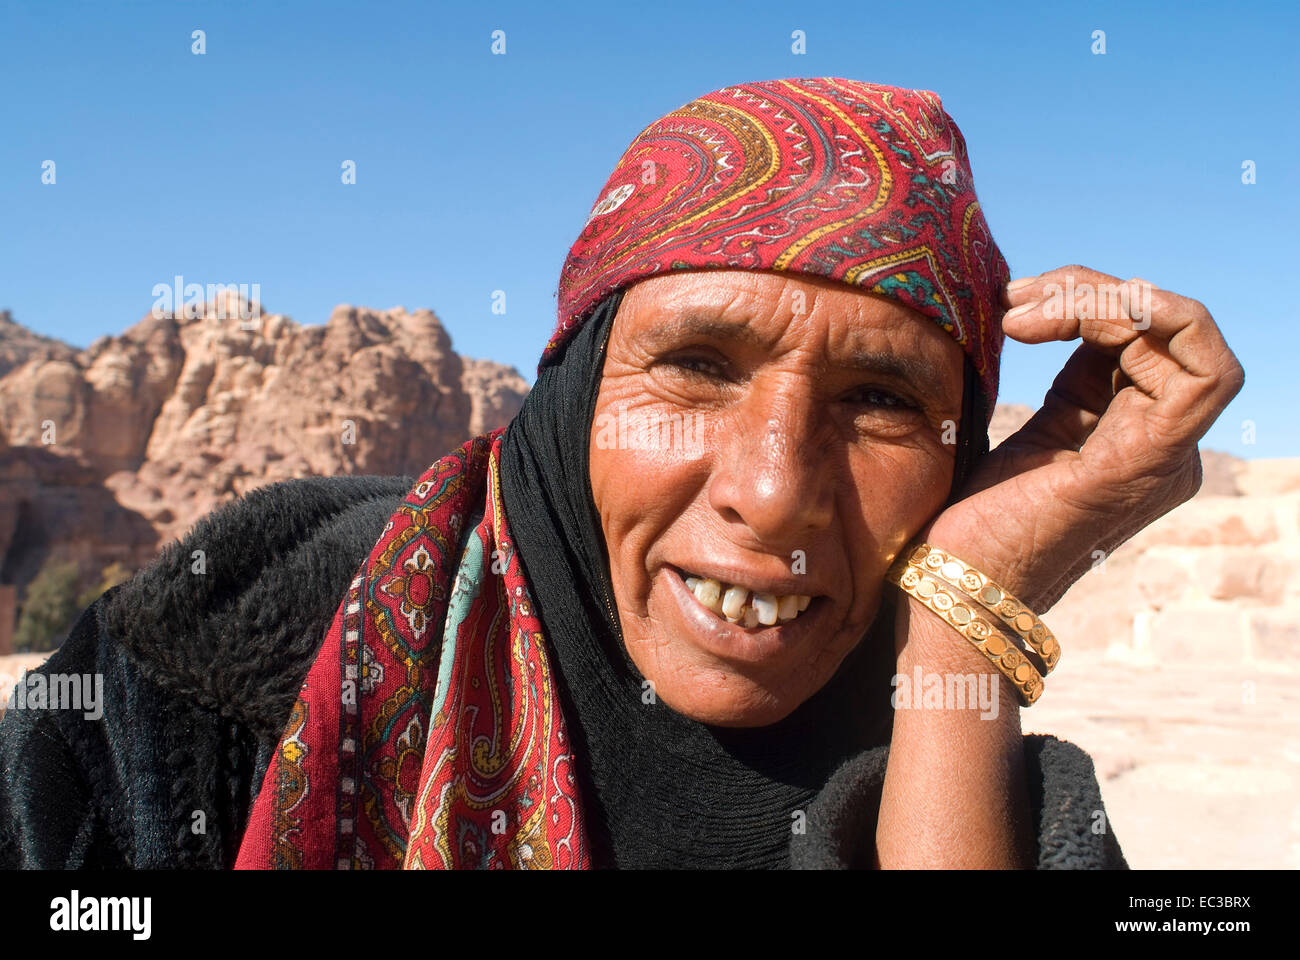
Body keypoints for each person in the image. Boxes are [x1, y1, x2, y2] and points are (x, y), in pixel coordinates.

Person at [0, 78, 1242, 870]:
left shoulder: (991, 788)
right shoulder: (227, 654)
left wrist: (965, 624)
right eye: (696, 366)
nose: (774, 489)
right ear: (571, 400)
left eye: (880, 401)